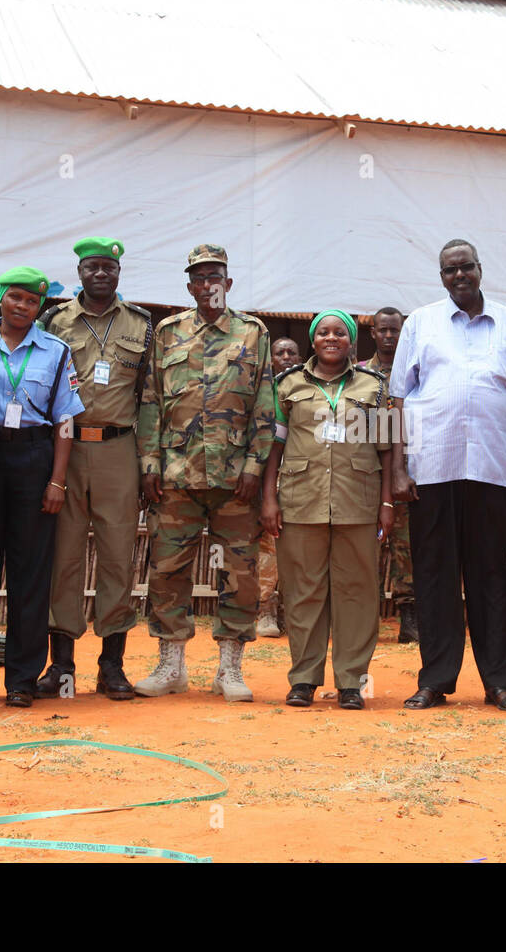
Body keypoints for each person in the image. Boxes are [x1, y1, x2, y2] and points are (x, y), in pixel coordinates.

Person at [390, 239, 506, 712]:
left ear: (480, 269)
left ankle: (500, 682)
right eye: (449, 270)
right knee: (435, 577)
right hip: (433, 469)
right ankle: (435, 680)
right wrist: (398, 467)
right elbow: (397, 400)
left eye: (465, 268)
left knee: (498, 578)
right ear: (441, 276)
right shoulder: (420, 323)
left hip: (494, 471)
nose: (458, 276)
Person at [136, 244, 276, 702]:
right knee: (166, 569)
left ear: (228, 283)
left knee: (240, 573)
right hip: (176, 476)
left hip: (236, 478)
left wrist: (256, 464)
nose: (207, 284)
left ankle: (229, 670)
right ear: (190, 286)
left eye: (215, 276)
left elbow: (264, 404)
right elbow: (152, 401)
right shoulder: (167, 332)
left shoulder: (253, 333)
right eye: (198, 277)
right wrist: (149, 464)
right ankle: (171, 665)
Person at [0, 268, 84, 707]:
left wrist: (57, 480)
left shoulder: (56, 351)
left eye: (31, 301)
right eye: (15, 297)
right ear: (0, 299)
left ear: (40, 307)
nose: (21, 306)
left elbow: (65, 421)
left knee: (31, 575)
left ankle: (21, 681)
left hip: (34, 459)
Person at [36, 238, 151, 701]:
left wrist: (147, 463)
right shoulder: (54, 320)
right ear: (79, 271)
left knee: (118, 558)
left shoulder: (142, 325)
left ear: (119, 273)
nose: (101, 274)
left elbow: (151, 397)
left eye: (109, 267)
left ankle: (112, 666)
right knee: (62, 559)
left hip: (119, 451)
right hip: (66, 449)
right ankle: (61, 667)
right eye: (92, 267)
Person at [261, 310, 393, 709]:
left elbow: (389, 450)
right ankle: (304, 678)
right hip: (301, 502)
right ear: (312, 341)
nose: (331, 338)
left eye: (340, 333)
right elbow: (273, 448)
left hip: (360, 501)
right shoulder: (287, 384)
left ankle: (352, 682)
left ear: (352, 342)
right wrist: (268, 498)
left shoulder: (375, 386)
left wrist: (387, 502)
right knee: (303, 593)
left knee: (358, 594)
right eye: (323, 333)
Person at [362, 307, 418, 644]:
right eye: (382, 330)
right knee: (366, 546)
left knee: (407, 547)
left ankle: (409, 616)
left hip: (406, 470)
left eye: (394, 331)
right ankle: (363, 619)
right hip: (368, 472)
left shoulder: (413, 373)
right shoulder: (359, 376)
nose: (388, 336)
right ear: (373, 333)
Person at [257, 336, 303, 638]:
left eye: (292, 352)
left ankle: (294, 610)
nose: (286, 357)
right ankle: (265, 609)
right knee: (267, 544)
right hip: (266, 474)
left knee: (300, 545)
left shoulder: (309, 389)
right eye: (279, 352)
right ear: (271, 358)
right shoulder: (261, 391)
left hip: (302, 477)